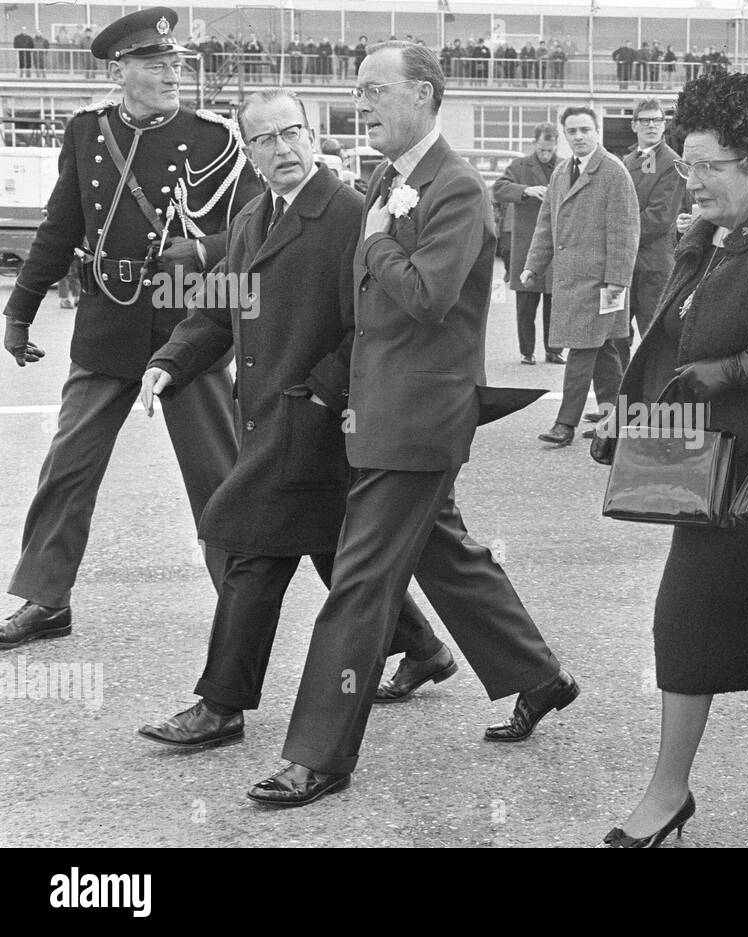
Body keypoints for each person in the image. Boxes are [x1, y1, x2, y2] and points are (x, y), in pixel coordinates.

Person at [247, 42, 577, 807]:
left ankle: (318, 753)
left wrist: (376, 239)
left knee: (359, 581)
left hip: (419, 416)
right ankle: (540, 674)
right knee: (444, 553)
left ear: (424, 95)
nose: (360, 104)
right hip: (384, 410)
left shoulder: (455, 187)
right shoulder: (389, 179)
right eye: (358, 92)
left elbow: (428, 294)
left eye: (374, 90)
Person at [135, 90, 454, 749]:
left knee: (250, 548)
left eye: (292, 134)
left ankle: (220, 705)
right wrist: (170, 360)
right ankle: (423, 647)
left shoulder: (347, 216)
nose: (282, 149)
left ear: (312, 137)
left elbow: (369, 324)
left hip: (311, 423)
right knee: (328, 548)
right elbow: (218, 305)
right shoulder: (254, 217)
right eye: (266, 140)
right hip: (270, 421)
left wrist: (317, 393)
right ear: (249, 155)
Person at [593, 71, 748, 847]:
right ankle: (670, 791)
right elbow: (674, 337)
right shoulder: (714, 233)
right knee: (687, 628)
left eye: (708, 167)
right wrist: (631, 415)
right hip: (705, 467)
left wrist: (733, 370)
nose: (690, 179)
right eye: (688, 163)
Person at [0, 6, 260, 651]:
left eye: (175, 63)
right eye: (156, 64)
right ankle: (44, 599)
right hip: (107, 318)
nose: (173, 74)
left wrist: (203, 253)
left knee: (217, 475)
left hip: (183, 319)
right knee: (68, 466)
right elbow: (61, 223)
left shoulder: (212, 138)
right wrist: (20, 309)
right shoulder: (88, 131)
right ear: (122, 70)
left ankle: (241, 604)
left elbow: (261, 225)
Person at [522, 105, 640, 448]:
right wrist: (533, 265)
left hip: (601, 283)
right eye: (572, 131)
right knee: (602, 351)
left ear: (597, 131)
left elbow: (626, 230)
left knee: (582, 350)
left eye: (584, 130)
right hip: (571, 281)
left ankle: (565, 423)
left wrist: (617, 281)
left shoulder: (614, 172)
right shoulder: (561, 172)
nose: (578, 137)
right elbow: (546, 224)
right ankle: (615, 418)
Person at [494, 122, 565, 365]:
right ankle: (527, 352)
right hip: (526, 243)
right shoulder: (519, 166)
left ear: (556, 145)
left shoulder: (566, 165)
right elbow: (499, 189)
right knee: (526, 304)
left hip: (556, 246)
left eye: (550, 149)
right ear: (534, 144)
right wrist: (526, 190)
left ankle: (554, 351)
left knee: (554, 304)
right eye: (542, 149)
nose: (546, 154)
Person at [622, 98, 685, 342]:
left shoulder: (672, 163)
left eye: (657, 120)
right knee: (617, 338)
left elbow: (659, 218)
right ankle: (620, 383)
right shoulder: (627, 161)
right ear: (634, 125)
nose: (652, 125)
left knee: (654, 340)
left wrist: (619, 235)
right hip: (626, 265)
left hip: (654, 266)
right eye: (645, 120)